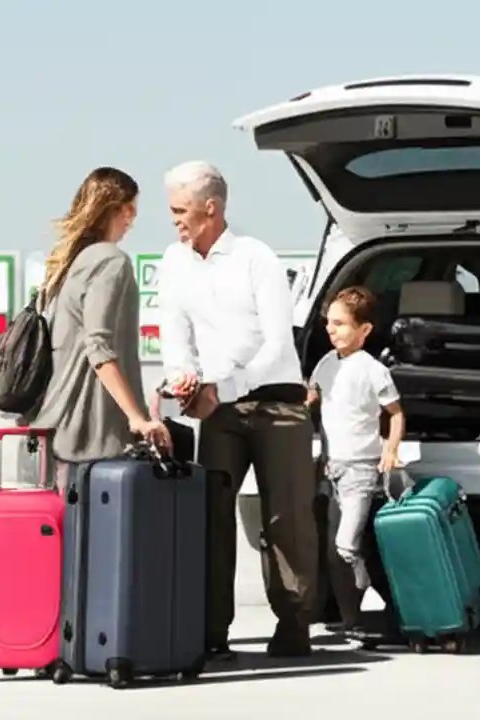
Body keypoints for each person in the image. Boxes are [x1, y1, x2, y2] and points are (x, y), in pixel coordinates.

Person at [157, 160, 319, 659]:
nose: (175, 221)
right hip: (218, 410)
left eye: (181, 210)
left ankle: (294, 625)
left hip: (277, 406)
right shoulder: (174, 261)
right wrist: (183, 374)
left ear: (212, 207)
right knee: (211, 519)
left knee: (285, 521)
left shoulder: (256, 258)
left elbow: (275, 344)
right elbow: (174, 333)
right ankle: (210, 631)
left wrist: (223, 388)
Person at [29, 166, 171, 485]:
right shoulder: (110, 261)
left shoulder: (69, 264)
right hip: (92, 434)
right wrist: (137, 418)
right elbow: (98, 346)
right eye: (132, 208)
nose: (132, 220)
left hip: (55, 428)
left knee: (67, 532)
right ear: (117, 209)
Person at [305, 286, 406, 641]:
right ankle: (353, 621)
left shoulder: (373, 370)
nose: (331, 330)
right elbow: (313, 400)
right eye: (329, 323)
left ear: (364, 330)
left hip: (362, 471)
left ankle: (378, 601)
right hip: (332, 468)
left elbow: (395, 414)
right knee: (339, 549)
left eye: (341, 324)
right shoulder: (325, 364)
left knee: (348, 546)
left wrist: (390, 450)